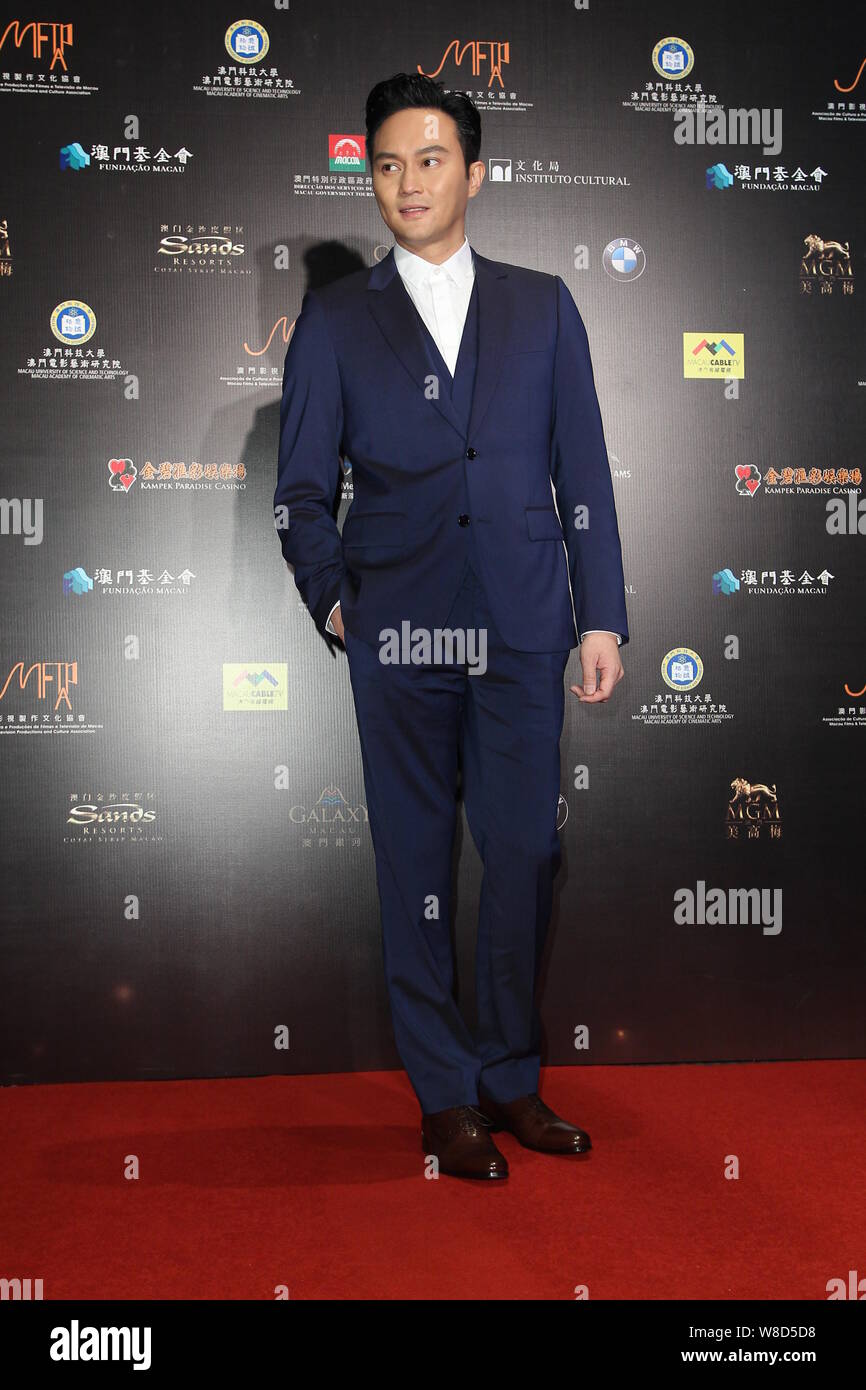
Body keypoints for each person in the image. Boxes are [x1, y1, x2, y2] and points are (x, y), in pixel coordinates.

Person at [275, 72, 629, 1181]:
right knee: (415, 862)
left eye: (428, 159)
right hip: (401, 638)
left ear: (473, 173)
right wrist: (339, 602)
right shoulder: (336, 320)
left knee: (523, 856)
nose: (406, 181)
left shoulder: (545, 305)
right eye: (384, 163)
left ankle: (510, 1078)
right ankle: (444, 1098)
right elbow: (297, 493)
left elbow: (584, 473)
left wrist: (601, 618)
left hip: (525, 626)